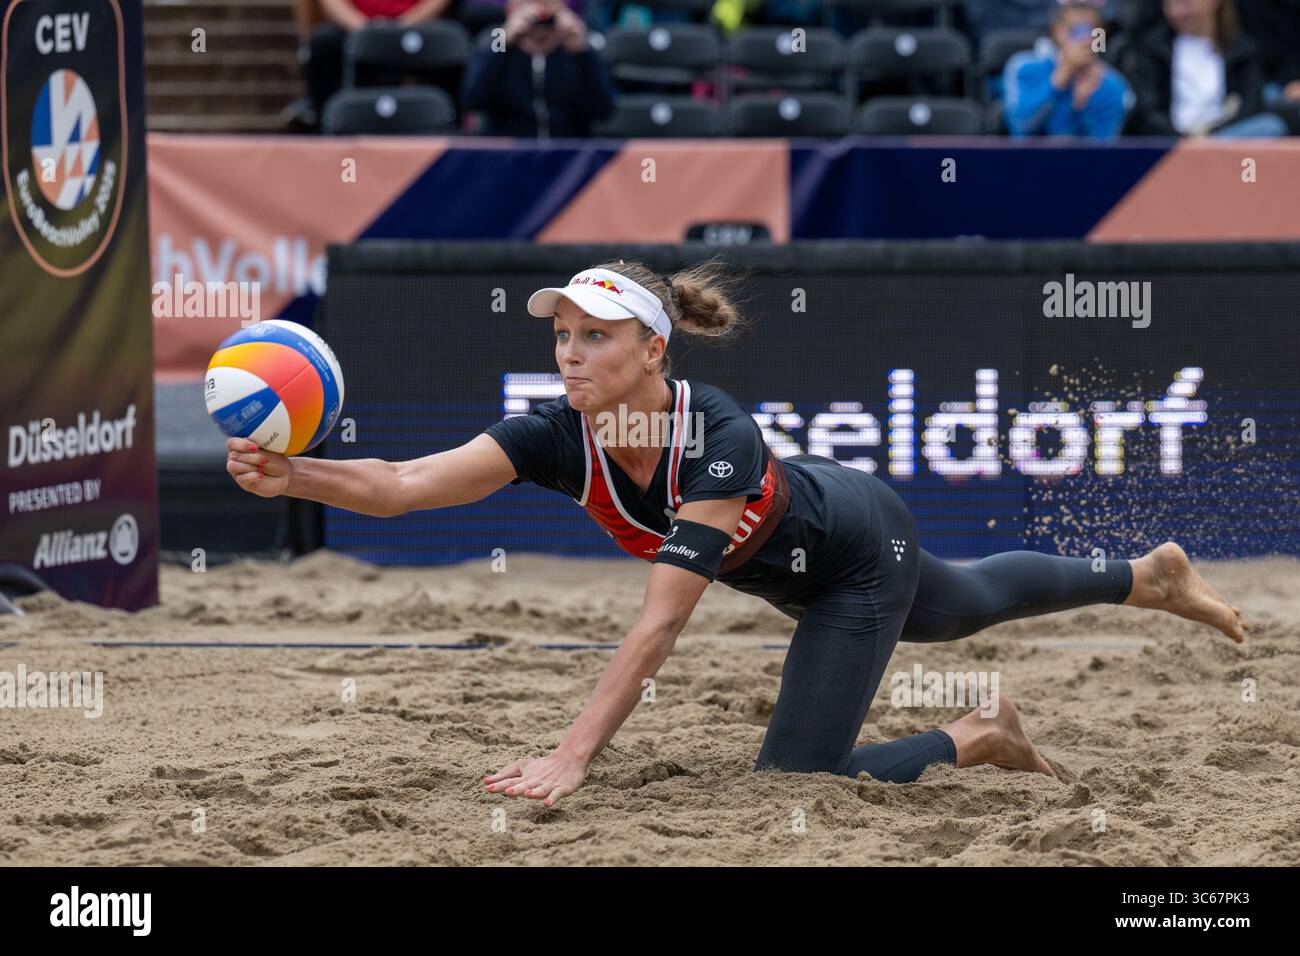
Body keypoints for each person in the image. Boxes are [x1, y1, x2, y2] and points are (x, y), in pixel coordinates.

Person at [225, 260, 1249, 808]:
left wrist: (573, 755)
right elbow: (403, 484)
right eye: (562, 335)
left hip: (852, 554)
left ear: (652, 349)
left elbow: (662, 624)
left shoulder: (716, 433)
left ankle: (975, 734)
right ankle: (1145, 574)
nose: (570, 353)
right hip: (801, 560)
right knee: (963, 602)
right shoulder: (551, 432)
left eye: (594, 336)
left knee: (796, 780)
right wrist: (292, 473)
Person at [460, 0, 616, 137]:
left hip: (568, 153)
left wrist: (582, 53)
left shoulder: (578, 49)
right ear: (511, 9)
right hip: (511, 153)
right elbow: (472, 100)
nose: (538, 13)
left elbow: (604, 111)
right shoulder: (497, 41)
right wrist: (503, 42)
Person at [1121, 0, 1267, 135]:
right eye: (1169, 5)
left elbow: (1251, 107)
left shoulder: (1242, 52)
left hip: (1223, 139)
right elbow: (1147, 109)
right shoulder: (1153, 49)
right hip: (1170, 141)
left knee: (1268, 125)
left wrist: (1209, 135)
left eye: (1185, 3)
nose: (1175, 13)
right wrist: (1181, 137)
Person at [304, 0, 456, 126]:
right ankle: (324, 124)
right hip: (354, 30)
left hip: (419, 28)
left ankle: (451, 123)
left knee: (449, 42)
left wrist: (401, 27)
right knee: (323, 41)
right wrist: (365, 31)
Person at [1003, 0, 1132, 139]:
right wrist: (1057, 83)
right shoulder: (1023, 68)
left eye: (1092, 31)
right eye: (1074, 30)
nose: (1084, 40)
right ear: (1056, 30)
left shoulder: (1113, 85)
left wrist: (1081, 105)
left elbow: (1105, 145)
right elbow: (1021, 127)